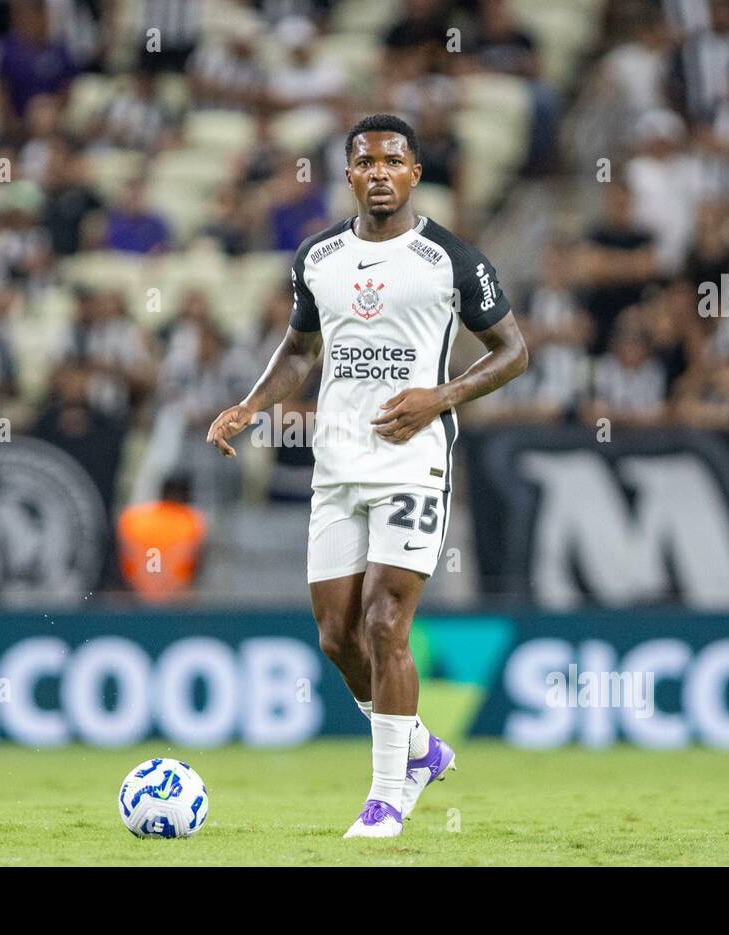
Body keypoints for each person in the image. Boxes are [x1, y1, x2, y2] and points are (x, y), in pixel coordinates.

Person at [206, 114, 528, 838]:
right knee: (337, 637)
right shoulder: (318, 257)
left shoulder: (450, 258)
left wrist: (438, 397)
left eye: (394, 160)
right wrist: (251, 405)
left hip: (414, 462)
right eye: (365, 162)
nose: (379, 172)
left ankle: (386, 797)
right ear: (347, 175)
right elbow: (298, 351)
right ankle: (416, 749)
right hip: (338, 467)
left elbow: (513, 351)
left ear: (415, 172)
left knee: (386, 621)